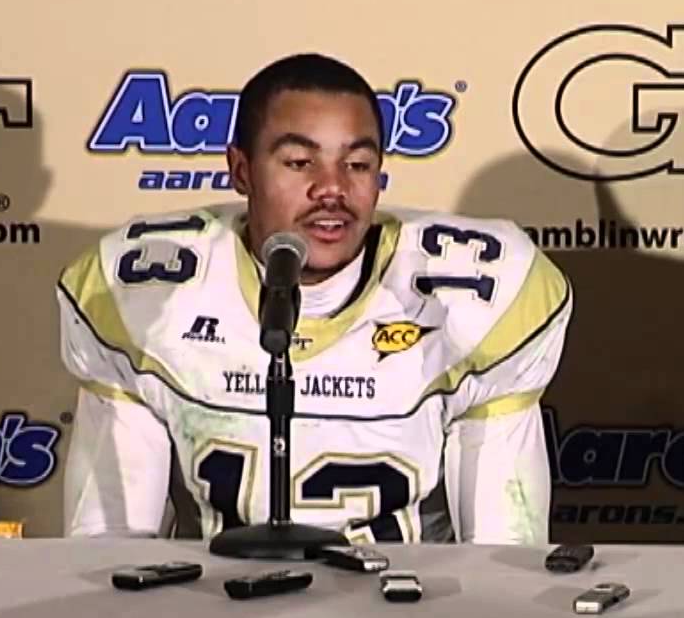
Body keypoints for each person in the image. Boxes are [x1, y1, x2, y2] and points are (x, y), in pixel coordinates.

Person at [56, 53, 572, 544]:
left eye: (358, 164)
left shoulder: (475, 296)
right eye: (300, 162)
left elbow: (500, 561)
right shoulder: (146, 292)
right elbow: (112, 553)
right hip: (213, 602)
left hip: (409, 604)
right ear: (241, 170)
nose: (332, 189)